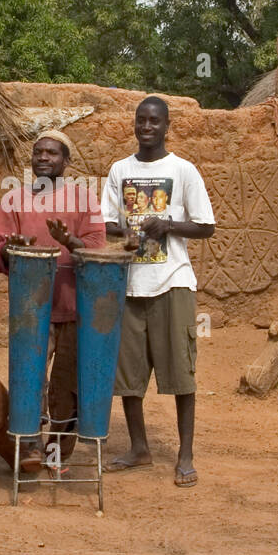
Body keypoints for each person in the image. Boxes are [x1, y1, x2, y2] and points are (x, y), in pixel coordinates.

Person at [100, 96, 216, 487]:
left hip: (172, 283)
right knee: (128, 374)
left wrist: (167, 226)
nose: (146, 126)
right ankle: (139, 448)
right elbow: (105, 225)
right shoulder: (119, 170)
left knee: (181, 372)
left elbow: (205, 226)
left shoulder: (183, 171)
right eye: (141, 120)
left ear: (167, 127)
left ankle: (185, 455)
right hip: (129, 285)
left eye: (154, 121)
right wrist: (126, 232)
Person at [0, 131, 106, 472]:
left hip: (73, 307)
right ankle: (29, 447)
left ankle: (58, 453)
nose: (43, 157)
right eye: (38, 152)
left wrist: (67, 240)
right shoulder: (14, 201)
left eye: (52, 153)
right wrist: (14, 249)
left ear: (65, 161)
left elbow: (96, 246)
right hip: (31, 309)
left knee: (66, 385)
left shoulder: (84, 200)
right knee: (29, 377)